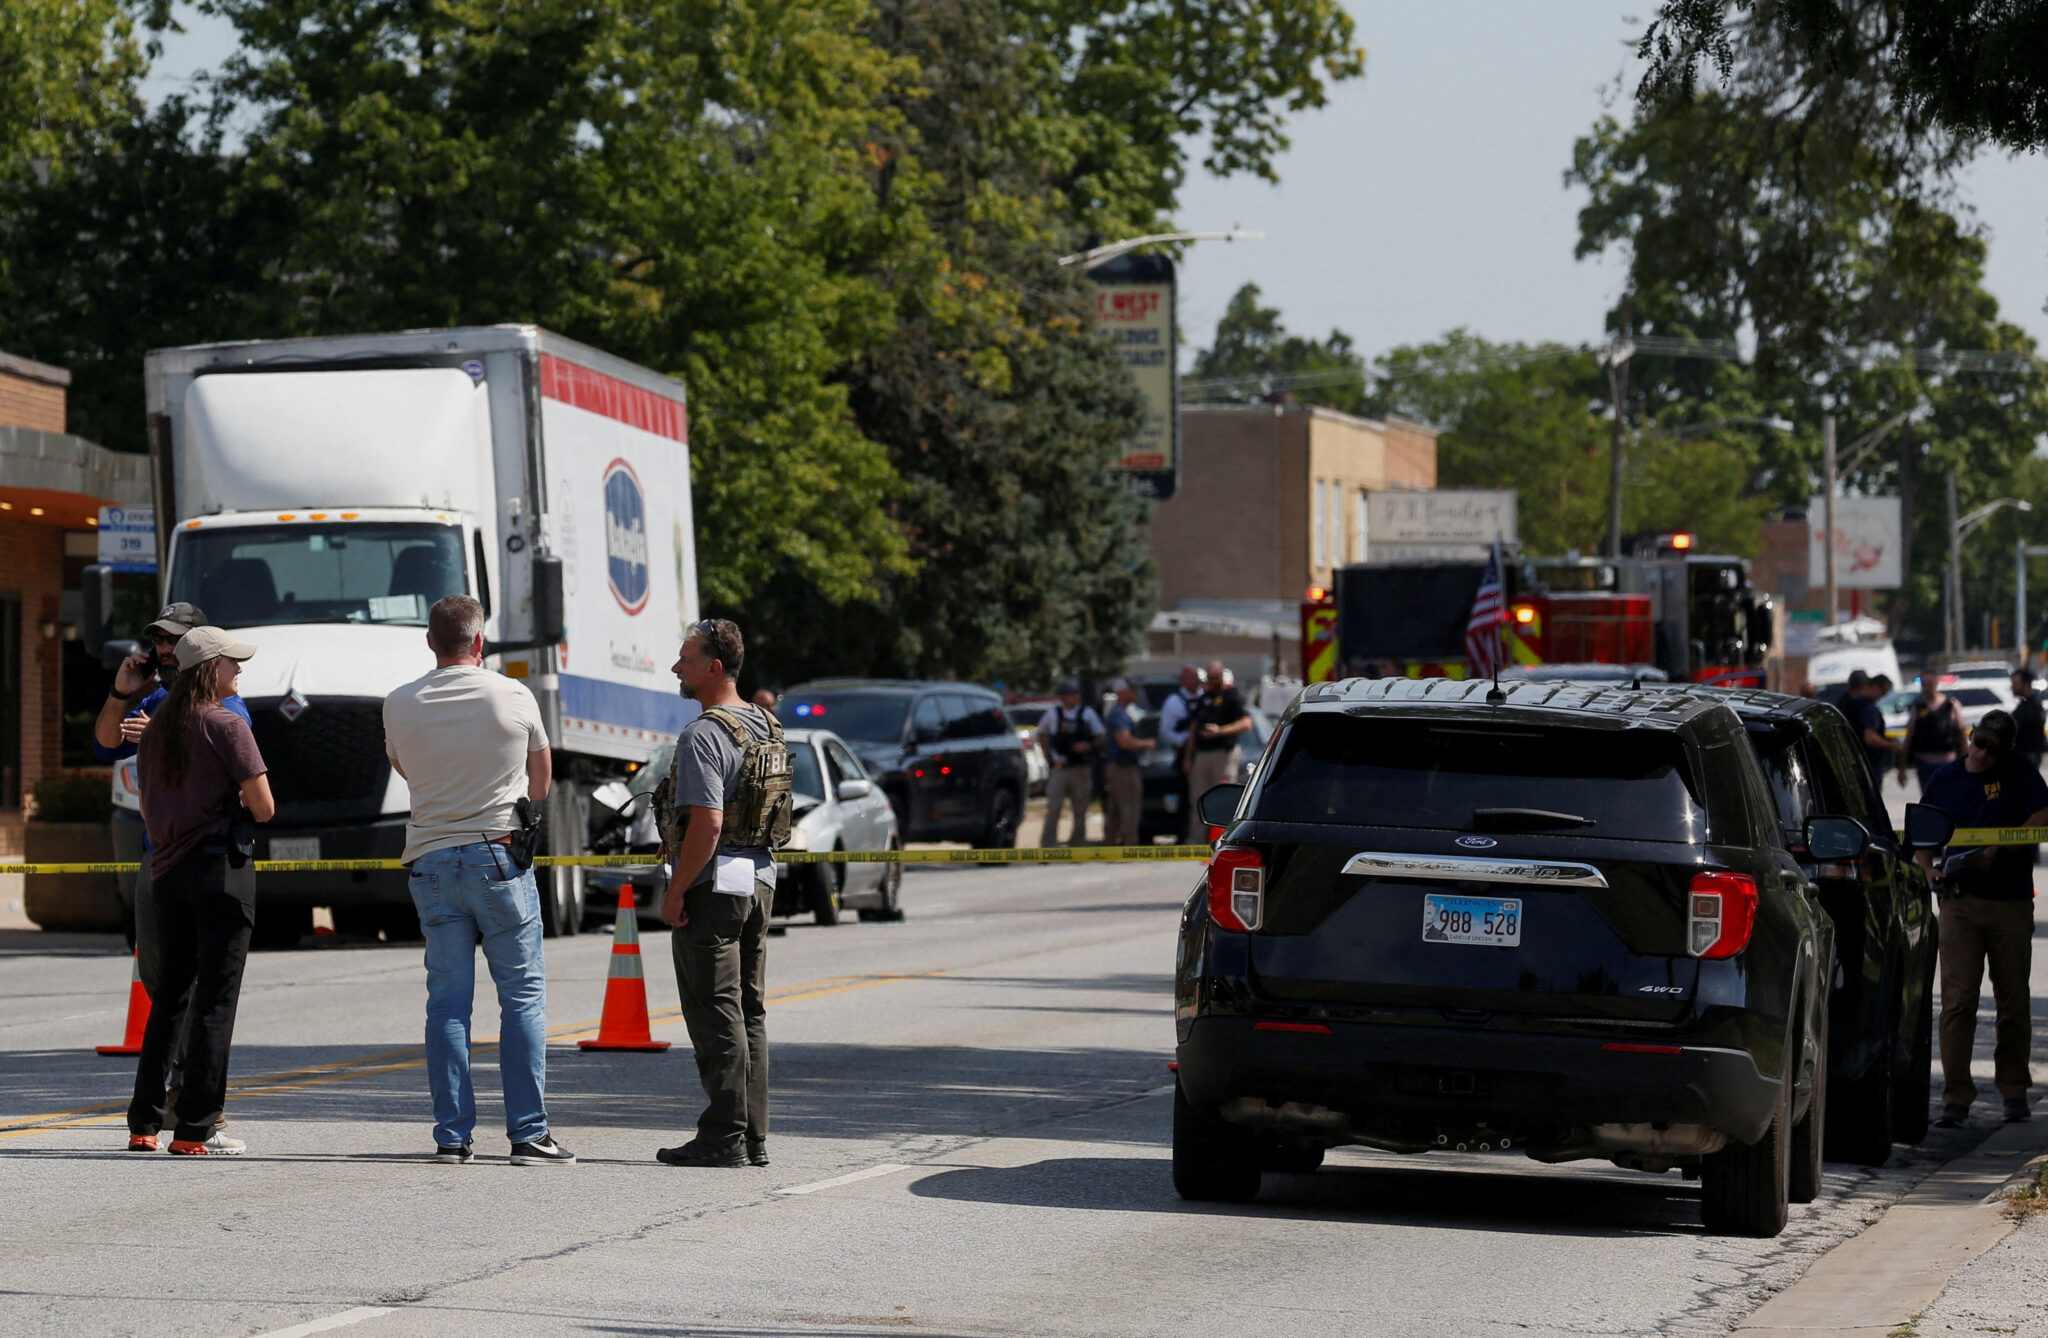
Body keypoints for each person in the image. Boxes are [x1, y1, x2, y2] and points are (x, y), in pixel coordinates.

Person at [383, 594, 571, 1167]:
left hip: (431, 859)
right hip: (497, 855)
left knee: (446, 1004)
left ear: (430, 642)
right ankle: (529, 1134)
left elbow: (404, 768)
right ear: (480, 642)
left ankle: (452, 1137)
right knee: (522, 998)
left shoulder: (398, 702)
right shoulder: (513, 695)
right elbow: (542, 776)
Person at [125, 628, 274, 1156]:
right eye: (233, 663)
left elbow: (147, 805)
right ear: (211, 669)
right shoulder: (227, 724)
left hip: (168, 872)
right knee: (214, 1000)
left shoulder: (157, 729)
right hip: (220, 872)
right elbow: (264, 807)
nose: (240, 671)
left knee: (169, 998)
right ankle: (194, 1128)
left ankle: (144, 1124)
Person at [658, 618, 791, 1169]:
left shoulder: (705, 734)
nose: (677, 668)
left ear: (713, 668)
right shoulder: (765, 724)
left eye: (686, 660)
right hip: (760, 879)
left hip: (715, 887)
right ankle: (753, 1134)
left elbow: (708, 824)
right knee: (749, 1010)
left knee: (716, 1012)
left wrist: (677, 890)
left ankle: (723, 1137)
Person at [93, 603, 253, 990]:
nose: (164, 649)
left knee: (198, 983)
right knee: (160, 981)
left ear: (197, 647)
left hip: (206, 858)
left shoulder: (227, 707)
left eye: (174, 640)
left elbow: (230, 774)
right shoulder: (157, 701)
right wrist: (120, 692)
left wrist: (157, 736)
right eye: (158, 640)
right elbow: (106, 744)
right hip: (159, 858)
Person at [1918, 710, 2047, 1127]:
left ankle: (2014, 1091)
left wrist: (2002, 848)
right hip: (1959, 901)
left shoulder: (2019, 771)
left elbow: (2042, 814)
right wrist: (1928, 870)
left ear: (2004, 751)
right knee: (1958, 1003)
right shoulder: (1946, 778)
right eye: (1979, 743)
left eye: (1992, 749)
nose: (1982, 753)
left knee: (2013, 1002)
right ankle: (1956, 1097)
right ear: (1971, 736)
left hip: (2010, 902)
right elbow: (1922, 831)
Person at [1184, 660, 1253, 827]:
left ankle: (1221, 837)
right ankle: (1197, 838)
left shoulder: (1232, 696)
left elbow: (1246, 723)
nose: (1210, 681)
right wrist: (1188, 756)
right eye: (1208, 678)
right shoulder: (1204, 698)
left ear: (1221, 676)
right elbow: (1193, 728)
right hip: (1202, 754)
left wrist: (1220, 730)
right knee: (1198, 800)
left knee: (1223, 800)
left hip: (1223, 753)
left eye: (1213, 678)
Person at [1038, 679, 1103, 846]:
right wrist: (1048, 756)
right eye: (1069, 694)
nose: (1073, 697)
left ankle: (1077, 843)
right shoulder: (1053, 714)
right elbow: (1041, 733)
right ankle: (1048, 844)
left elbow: (1100, 735)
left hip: (1080, 768)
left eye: (1075, 694)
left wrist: (1089, 746)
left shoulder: (1087, 713)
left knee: (1080, 809)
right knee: (1053, 808)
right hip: (1060, 767)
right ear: (1062, 697)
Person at [1101, 679, 1155, 847]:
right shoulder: (1119, 714)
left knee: (1115, 809)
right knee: (1129, 808)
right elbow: (1124, 742)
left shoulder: (1122, 712)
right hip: (1122, 768)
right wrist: (1146, 744)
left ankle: (1111, 844)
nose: (1135, 694)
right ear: (1122, 692)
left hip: (1120, 767)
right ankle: (1130, 846)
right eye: (1132, 690)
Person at [1904, 675, 1967, 791]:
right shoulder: (1918, 707)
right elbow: (1909, 736)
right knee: (1929, 796)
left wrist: (1964, 762)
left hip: (1948, 760)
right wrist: (1902, 767)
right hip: (1925, 762)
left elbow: (1962, 734)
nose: (1926, 688)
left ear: (1936, 684)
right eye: (1924, 685)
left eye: (1929, 684)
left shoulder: (1951, 705)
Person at [1846, 673, 1901, 785]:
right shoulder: (1868, 707)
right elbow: (1870, 738)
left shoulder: (1848, 701)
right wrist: (1891, 745)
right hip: (1869, 763)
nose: (1883, 696)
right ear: (1875, 687)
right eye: (1883, 692)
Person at [2010, 669, 2045, 769]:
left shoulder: (2031, 707)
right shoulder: (2025, 704)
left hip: (2027, 754)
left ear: (2026, 684)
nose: (2012, 687)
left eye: (2015, 684)